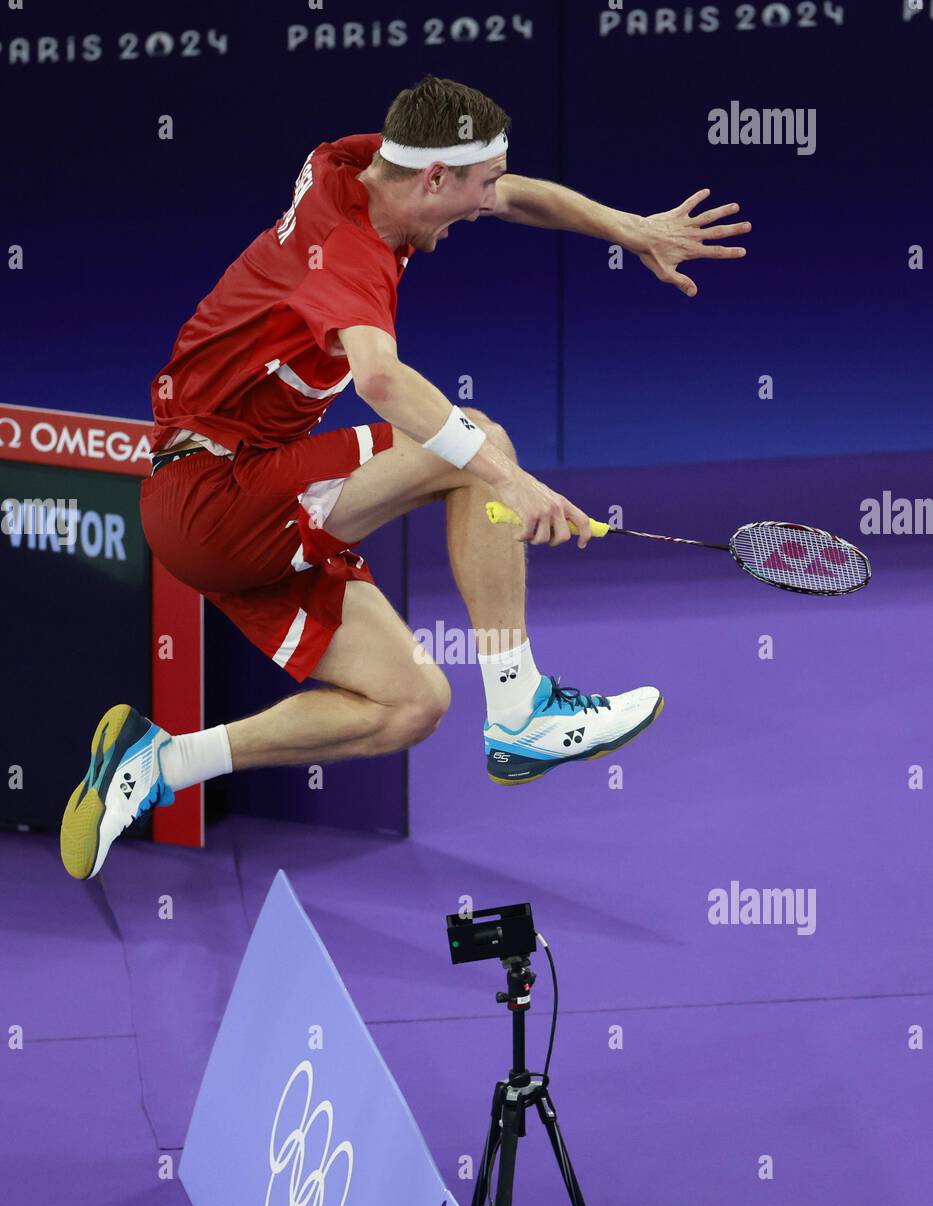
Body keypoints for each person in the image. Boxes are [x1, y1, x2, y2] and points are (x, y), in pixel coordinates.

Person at [59, 74, 750, 881]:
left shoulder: (349, 165)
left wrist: (627, 229)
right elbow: (380, 380)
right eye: (477, 187)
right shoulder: (350, 258)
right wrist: (512, 482)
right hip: (217, 494)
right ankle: (520, 707)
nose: (487, 204)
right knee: (474, 451)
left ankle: (158, 764)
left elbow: (512, 194)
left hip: (236, 499)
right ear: (432, 179)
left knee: (410, 703)